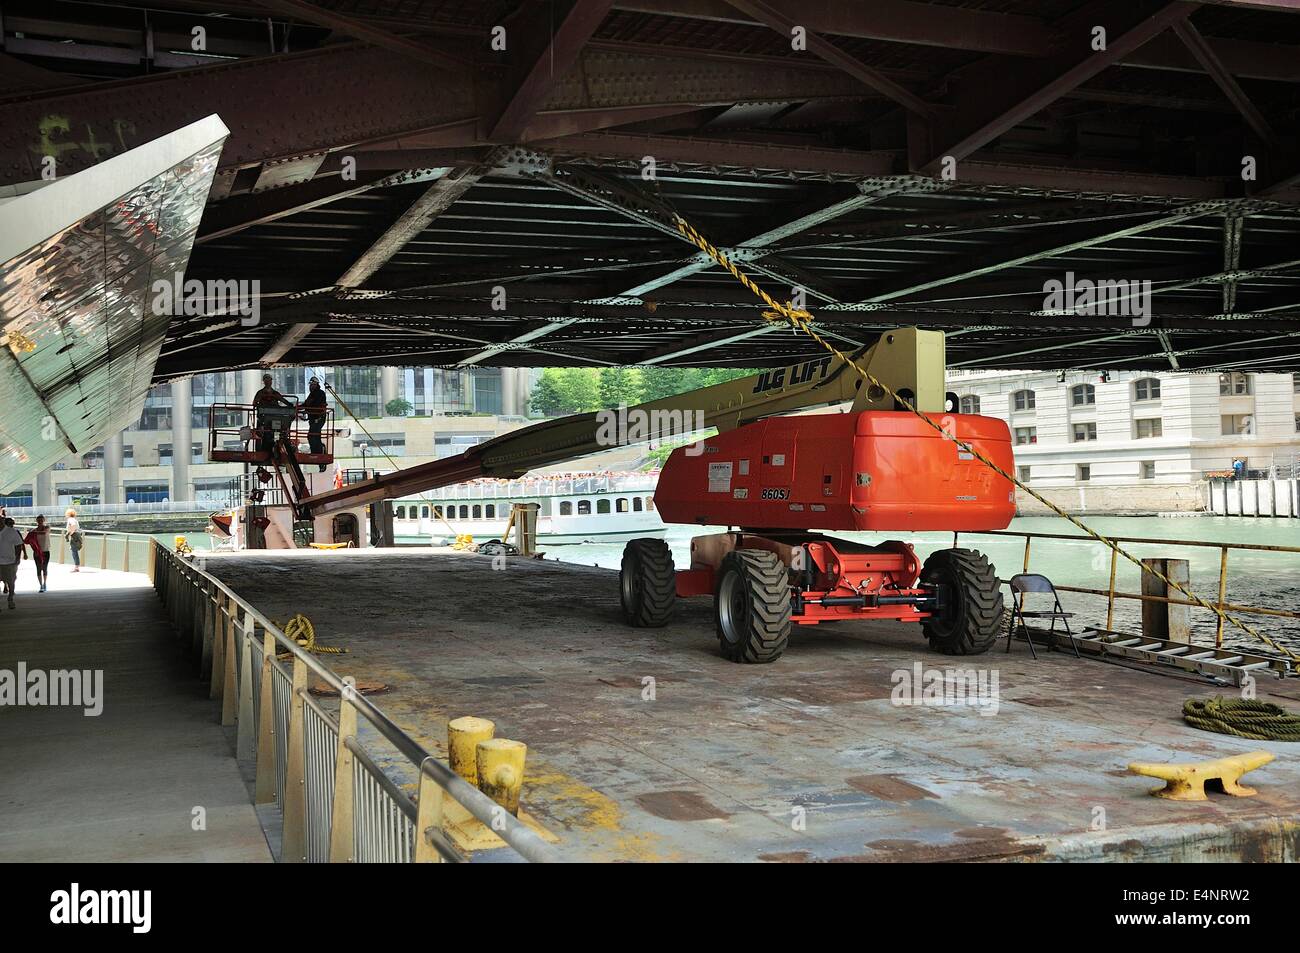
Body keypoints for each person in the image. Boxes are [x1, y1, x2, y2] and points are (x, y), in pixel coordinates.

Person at [252, 373, 293, 455]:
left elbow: (283, 400)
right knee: (262, 432)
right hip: (264, 417)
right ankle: (264, 448)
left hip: (274, 417)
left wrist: (290, 406)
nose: (268, 382)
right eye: (266, 380)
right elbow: (255, 403)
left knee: (280, 430)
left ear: (271, 381)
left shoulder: (275, 393)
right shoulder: (260, 393)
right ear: (264, 381)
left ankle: (280, 444)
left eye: (269, 380)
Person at [302, 377, 329, 472]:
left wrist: (305, 410)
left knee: (312, 436)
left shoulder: (319, 393)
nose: (311, 386)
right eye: (310, 385)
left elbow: (314, 405)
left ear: (316, 385)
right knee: (314, 436)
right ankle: (317, 453)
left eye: (312, 384)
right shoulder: (312, 394)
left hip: (318, 418)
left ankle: (318, 452)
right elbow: (306, 404)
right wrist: (296, 407)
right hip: (314, 419)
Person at [0, 517, 24, 608]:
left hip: (9, 562)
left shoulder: (12, 532)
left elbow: (19, 545)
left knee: (11, 582)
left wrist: (17, 558)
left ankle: (10, 599)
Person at [23, 515, 50, 593]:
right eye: (38, 520)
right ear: (36, 521)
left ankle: (45, 583)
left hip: (45, 551)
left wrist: (33, 532)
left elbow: (44, 532)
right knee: (38, 568)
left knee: (45, 568)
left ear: (44, 520)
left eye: (41, 520)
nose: (40, 522)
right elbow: (27, 540)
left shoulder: (47, 528)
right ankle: (41, 585)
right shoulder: (33, 531)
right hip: (37, 551)